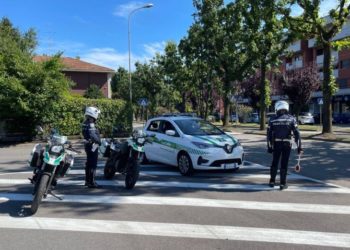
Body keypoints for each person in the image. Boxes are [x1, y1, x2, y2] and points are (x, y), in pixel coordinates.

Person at [267, 101, 302, 190]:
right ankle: (283, 183)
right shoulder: (291, 119)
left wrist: (269, 146)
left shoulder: (272, 119)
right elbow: (297, 133)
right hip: (287, 144)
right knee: (284, 163)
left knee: (275, 162)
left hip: (276, 143)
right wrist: (299, 147)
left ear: (277, 108)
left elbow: (269, 134)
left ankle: (272, 181)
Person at [82, 106, 101, 188]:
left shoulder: (85, 122)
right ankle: (91, 182)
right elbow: (93, 135)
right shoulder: (91, 123)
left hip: (87, 145)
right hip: (92, 145)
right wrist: (99, 141)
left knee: (89, 163)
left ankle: (87, 181)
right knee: (93, 164)